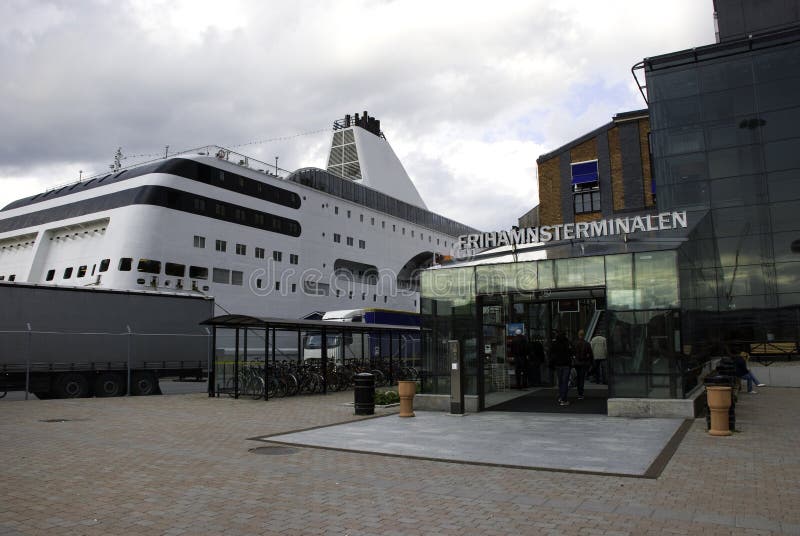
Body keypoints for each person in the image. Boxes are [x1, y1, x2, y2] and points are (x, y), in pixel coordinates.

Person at [549, 331, 573, 406]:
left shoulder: (554, 344)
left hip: (558, 365)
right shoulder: (567, 343)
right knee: (565, 382)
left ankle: (560, 396)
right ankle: (564, 399)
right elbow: (571, 353)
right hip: (566, 365)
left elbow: (551, 354)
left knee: (560, 382)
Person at [573, 329, 593, 400]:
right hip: (584, 363)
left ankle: (579, 391)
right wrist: (590, 362)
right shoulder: (587, 344)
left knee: (578, 377)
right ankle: (580, 393)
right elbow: (590, 354)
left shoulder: (575, 343)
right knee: (581, 378)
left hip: (577, 363)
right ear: (584, 335)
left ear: (578, 335)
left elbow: (573, 353)